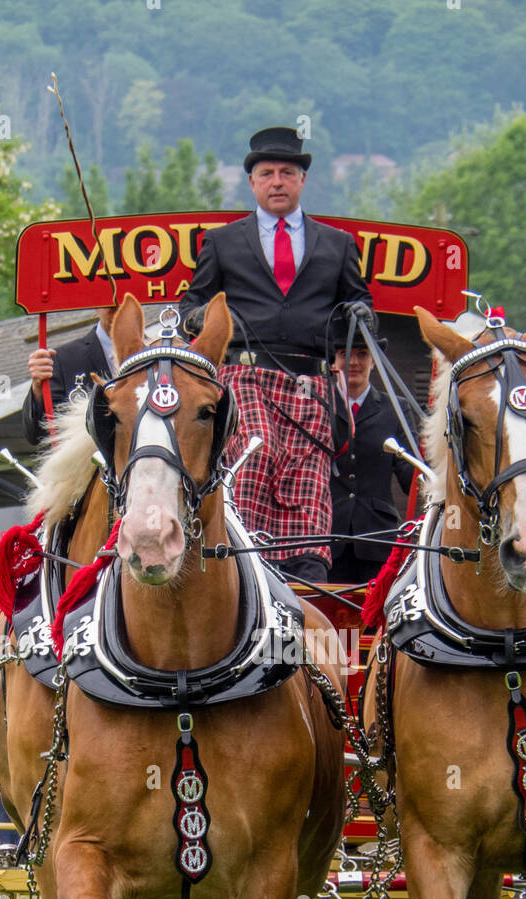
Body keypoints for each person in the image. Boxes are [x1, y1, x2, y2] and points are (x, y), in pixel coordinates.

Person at [179, 126, 373, 582]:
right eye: (267, 173)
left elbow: (360, 301)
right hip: (246, 375)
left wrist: (360, 311)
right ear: (252, 182)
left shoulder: (338, 243)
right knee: (254, 456)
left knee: (307, 483)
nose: (278, 181)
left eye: (287, 172)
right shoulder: (223, 242)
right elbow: (192, 304)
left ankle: (307, 581)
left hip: (313, 379)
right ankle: (243, 568)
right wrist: (202, 321)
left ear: (303, 180)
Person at [329, 326, 417, 585]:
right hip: (327, 536)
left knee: (373, 621)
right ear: (334, 361)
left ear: (373, 361)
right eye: (345, 354)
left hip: (379, 538)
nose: (353, 362)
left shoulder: (396, 408)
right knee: (331, 621)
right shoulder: (319, 404)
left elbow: (409, 476)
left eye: (362, 354)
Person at [22, 306, 117, 445]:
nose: (118, 302)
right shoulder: (63, 359)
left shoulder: (157, 353)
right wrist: (38, 387)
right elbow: (37, 433)